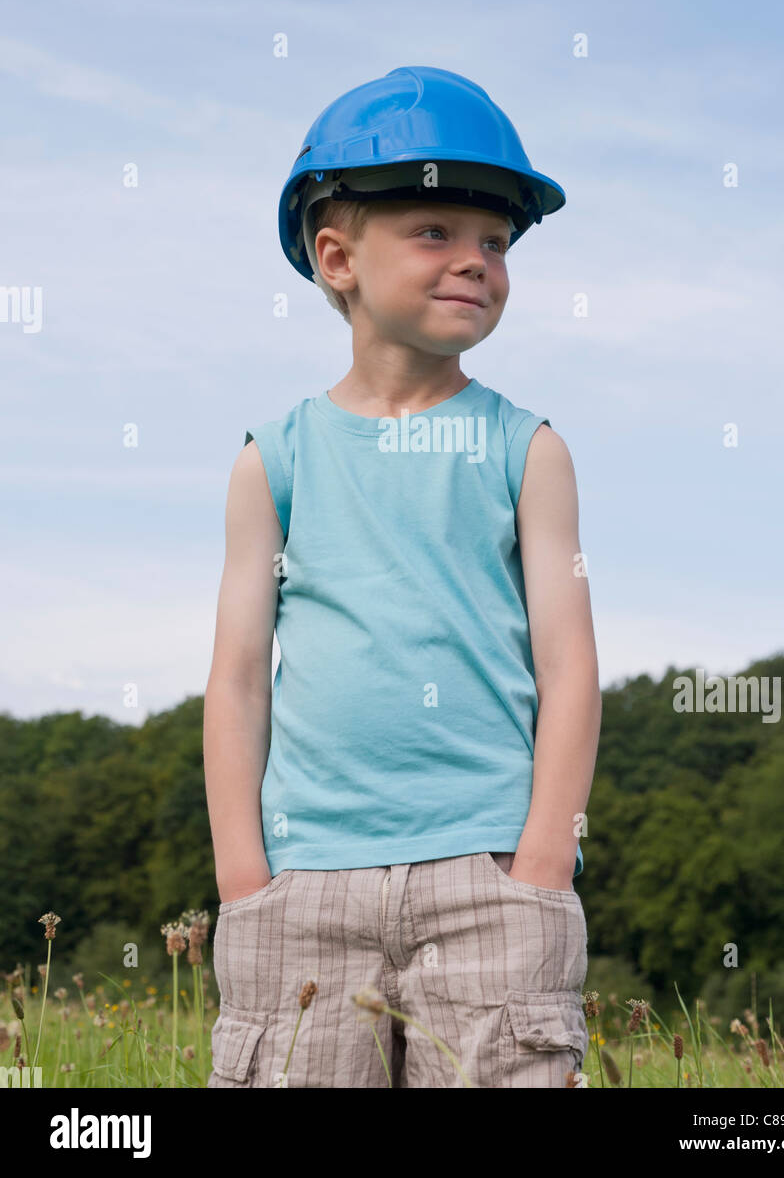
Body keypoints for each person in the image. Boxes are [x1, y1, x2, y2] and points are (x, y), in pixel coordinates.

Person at [203, 66, 602, 1088]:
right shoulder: (275, 457)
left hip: (490, 879)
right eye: (436, 231)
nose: (477, 261)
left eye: (497, 242)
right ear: (337, 257)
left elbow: (570, 669)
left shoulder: (528, 449)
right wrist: (244, 877)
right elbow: (239, 678)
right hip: (301, 887)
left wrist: (543, 864)